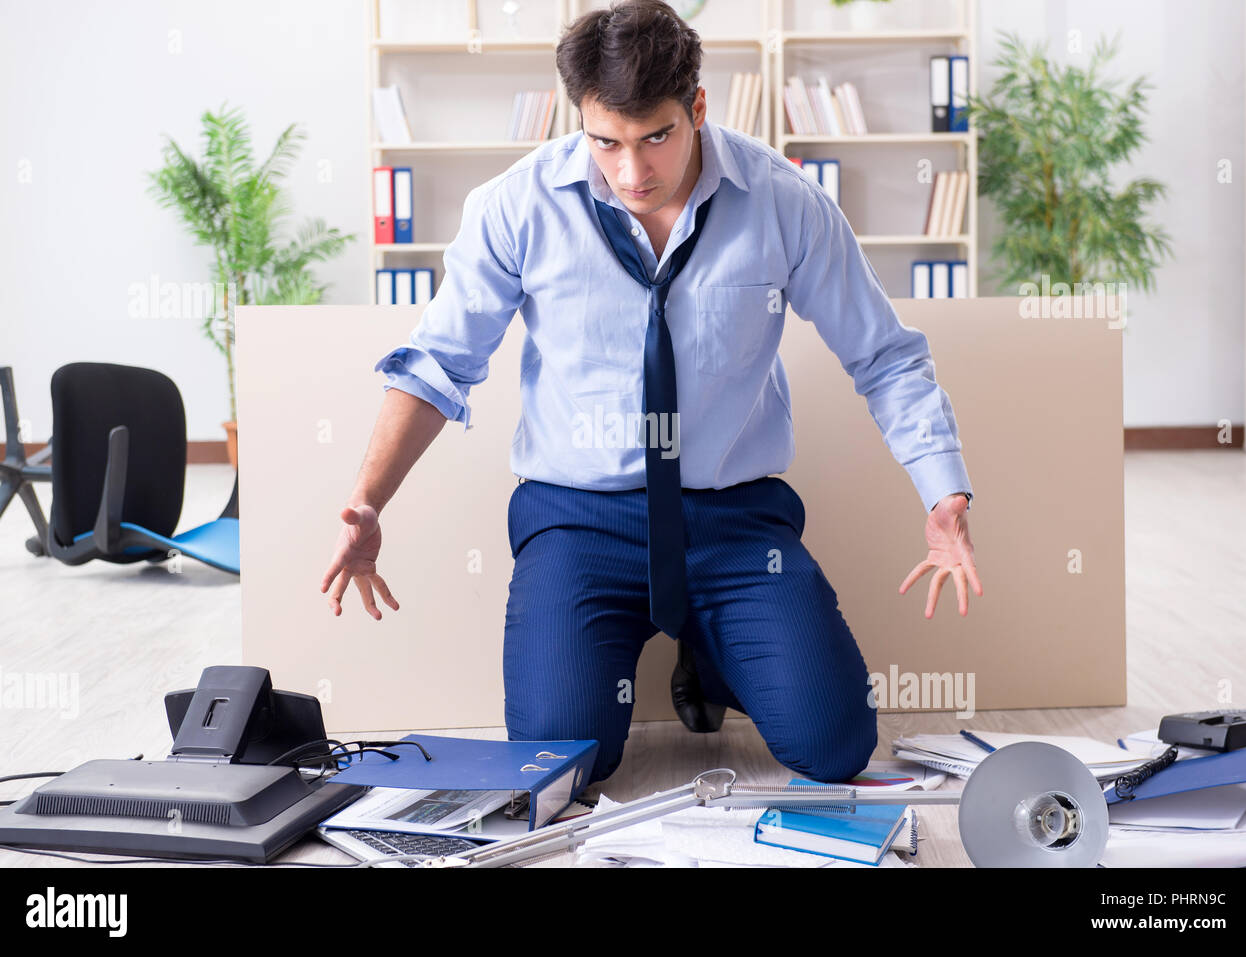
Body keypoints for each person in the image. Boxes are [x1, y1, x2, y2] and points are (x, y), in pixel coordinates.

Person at [320, 0, 983, 786]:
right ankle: (655, 655)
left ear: (697, 108)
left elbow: (884, 355)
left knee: (833, 747)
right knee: (563, 761)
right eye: (606, 141)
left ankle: (719, 654)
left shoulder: (783, 201)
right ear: (582, 120)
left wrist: (942, 493)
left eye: (656, 137)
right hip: (579, 518)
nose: (632, 172)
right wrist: (370, 498)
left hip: (734, 521)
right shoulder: (517, 207)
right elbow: (437, 364)